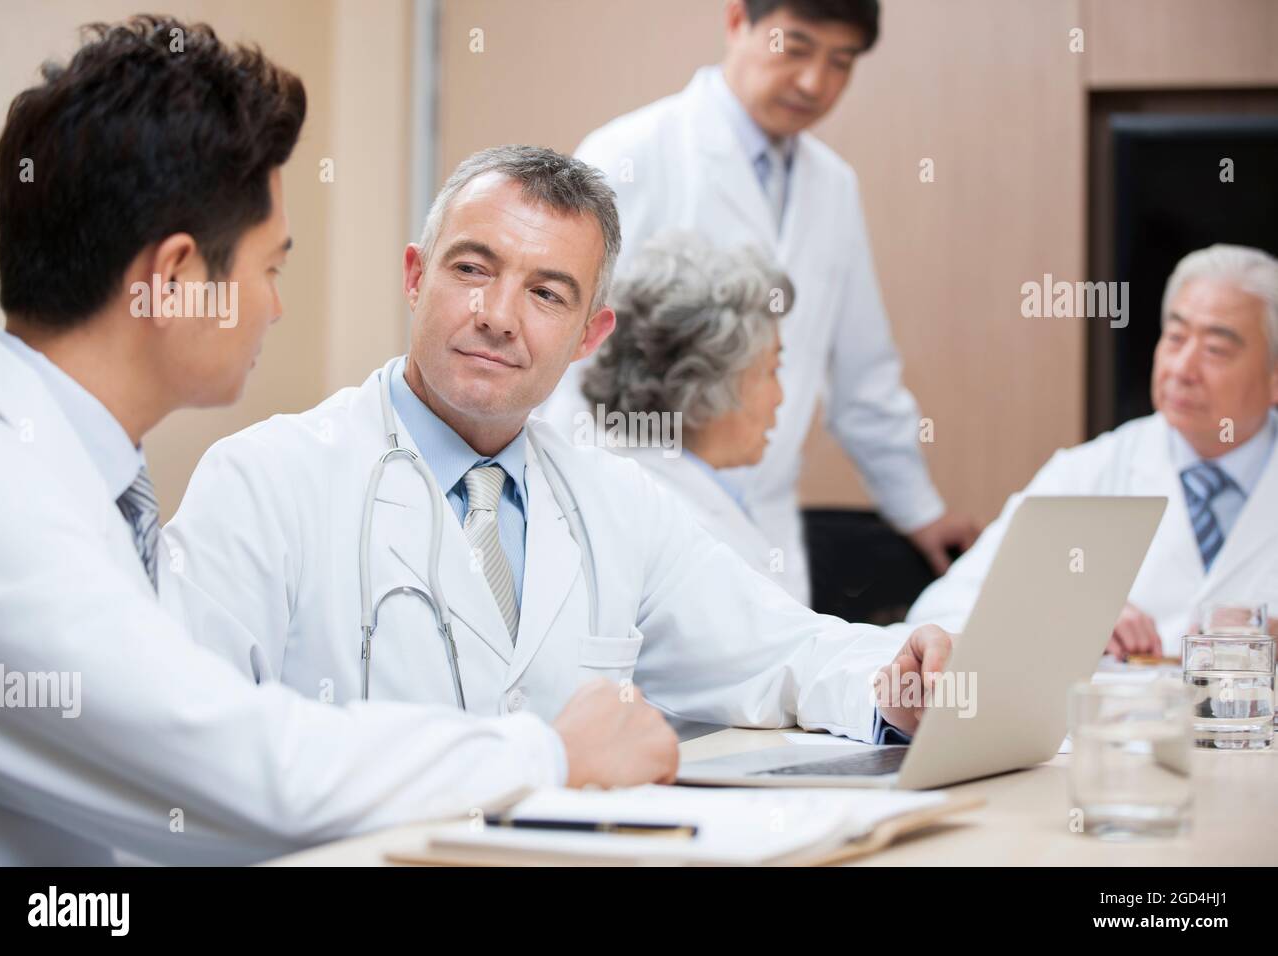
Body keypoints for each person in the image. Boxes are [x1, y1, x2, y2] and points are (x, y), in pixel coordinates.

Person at [0, 18, 676, 867]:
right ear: (174, 279)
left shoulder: (60, 472)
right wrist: (552, 755)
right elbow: (236, 767)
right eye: (270, 268)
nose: (276, 307)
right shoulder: (6, 503)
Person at [164, 145, 953, 762]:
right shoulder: (264, 481)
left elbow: (779, 650)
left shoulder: (616, 502)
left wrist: (900, 680)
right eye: (472, 269)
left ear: (590, 336)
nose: (499, 317)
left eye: (547, 293)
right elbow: (188, 748)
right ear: (415, 277)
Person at [539, 0, 979, 605]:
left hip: (763, 525)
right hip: (632, 505)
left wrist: (919, 510)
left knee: (781, 688)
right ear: (737, 21)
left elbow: (863, 376)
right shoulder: (628, 154)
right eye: (794, 48)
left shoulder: (833, 187)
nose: (813, 82)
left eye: (841, 62)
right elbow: (562, 356)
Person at [905, 245, 1278, 658]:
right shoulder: (1086, 474)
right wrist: (1069, 616)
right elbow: (935, 617)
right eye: (1174, 338)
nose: (1182, 370)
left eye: (1215, 351)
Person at [580, 231, 790, 587]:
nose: (780, 396)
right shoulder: (680, 526)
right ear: (711, 382)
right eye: (771, 371)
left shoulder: (660, 488)